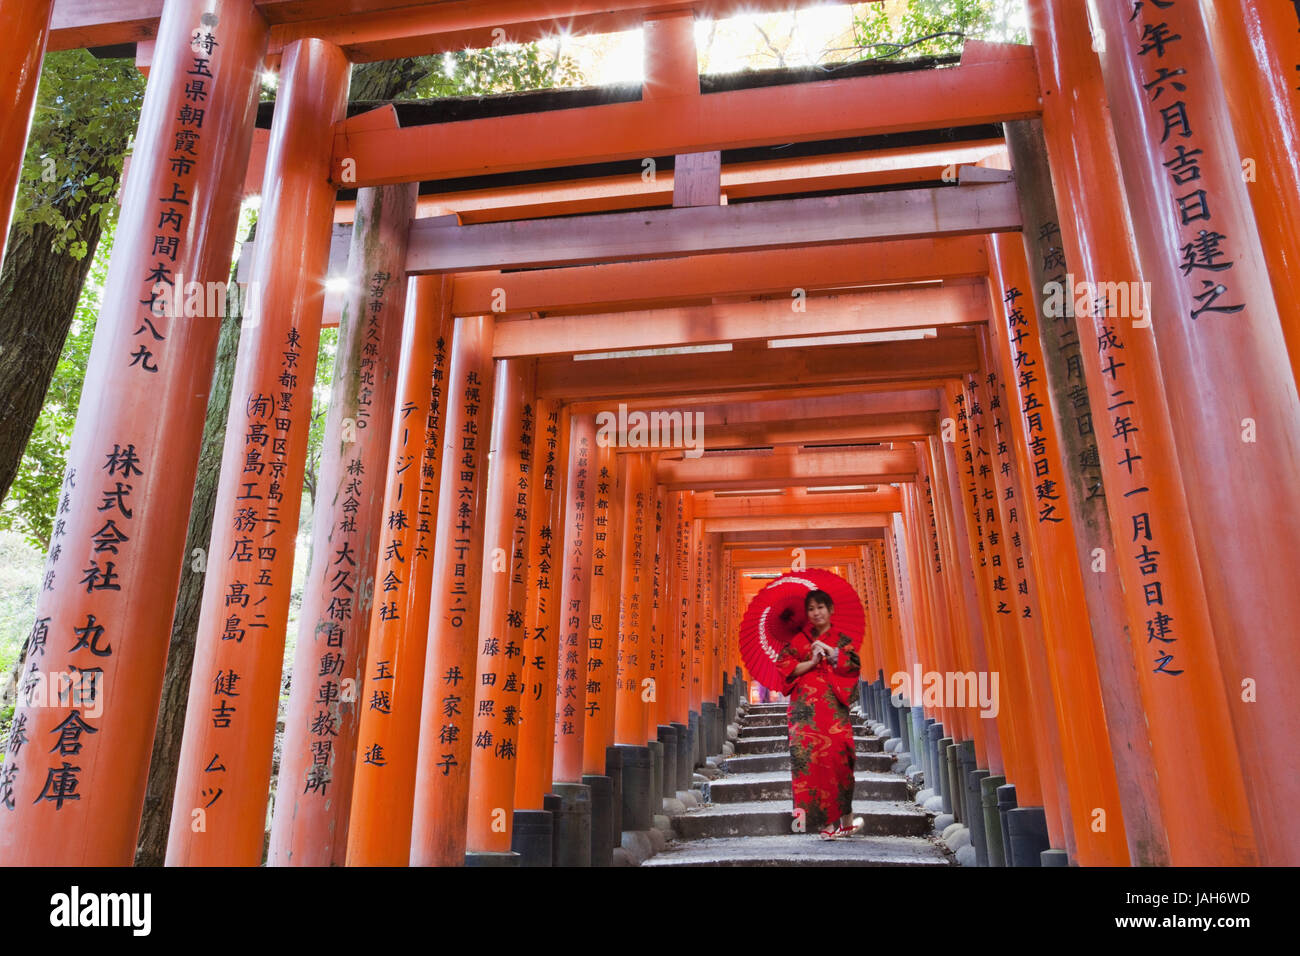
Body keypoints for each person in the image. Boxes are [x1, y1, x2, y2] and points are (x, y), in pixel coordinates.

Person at [775, 588, 863, 839]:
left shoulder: (843, 640)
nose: (816, 613)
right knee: (811, 763)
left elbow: (853, 666)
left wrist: (831, 652)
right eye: (811, 609)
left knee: (840, 760)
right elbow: (786, 669)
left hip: (833, 709)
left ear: (830, 609)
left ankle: (845, 820)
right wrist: (812, 661)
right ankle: (824, 825)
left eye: (820, 607)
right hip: (804, 712)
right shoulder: (798, 641)